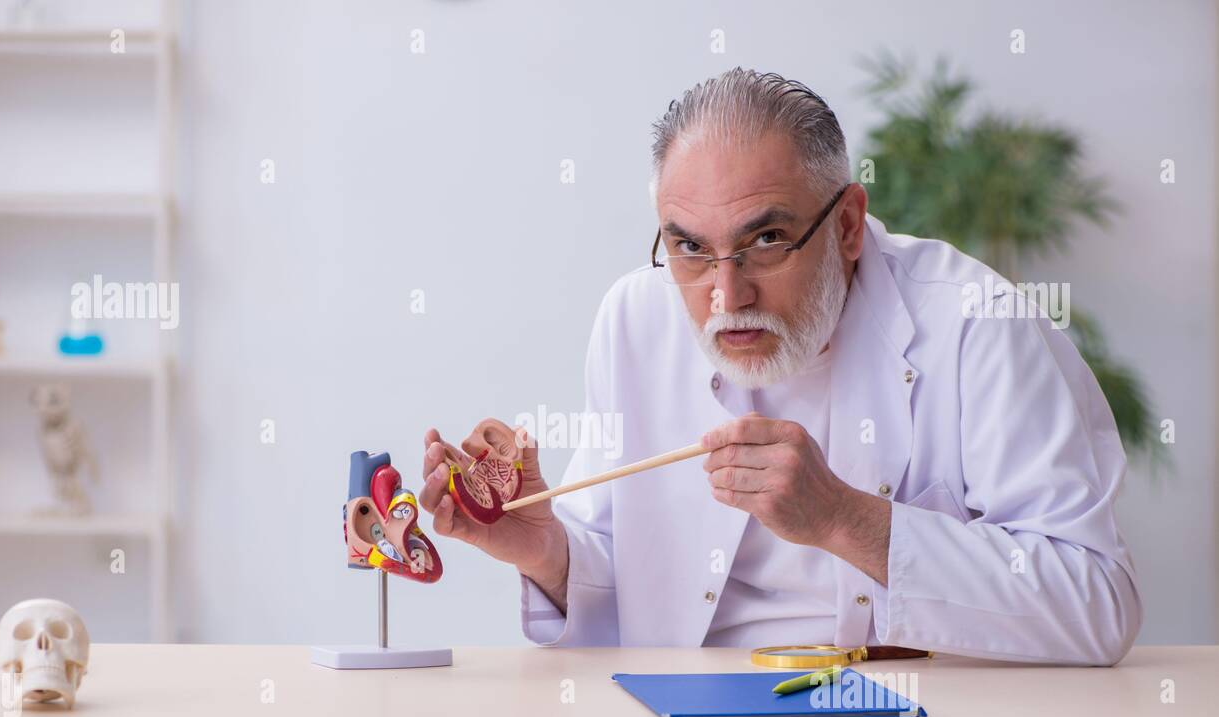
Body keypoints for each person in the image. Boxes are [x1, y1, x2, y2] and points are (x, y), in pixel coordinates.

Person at [417, 68, 1141, 665]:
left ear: (849, 226)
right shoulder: (636, 318)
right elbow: (622, 581)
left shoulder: (977, 324)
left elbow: (1097, 603)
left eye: (766, 239)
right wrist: (549, 551)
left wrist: (845, 519)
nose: (727, 297)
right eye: (691, 248)